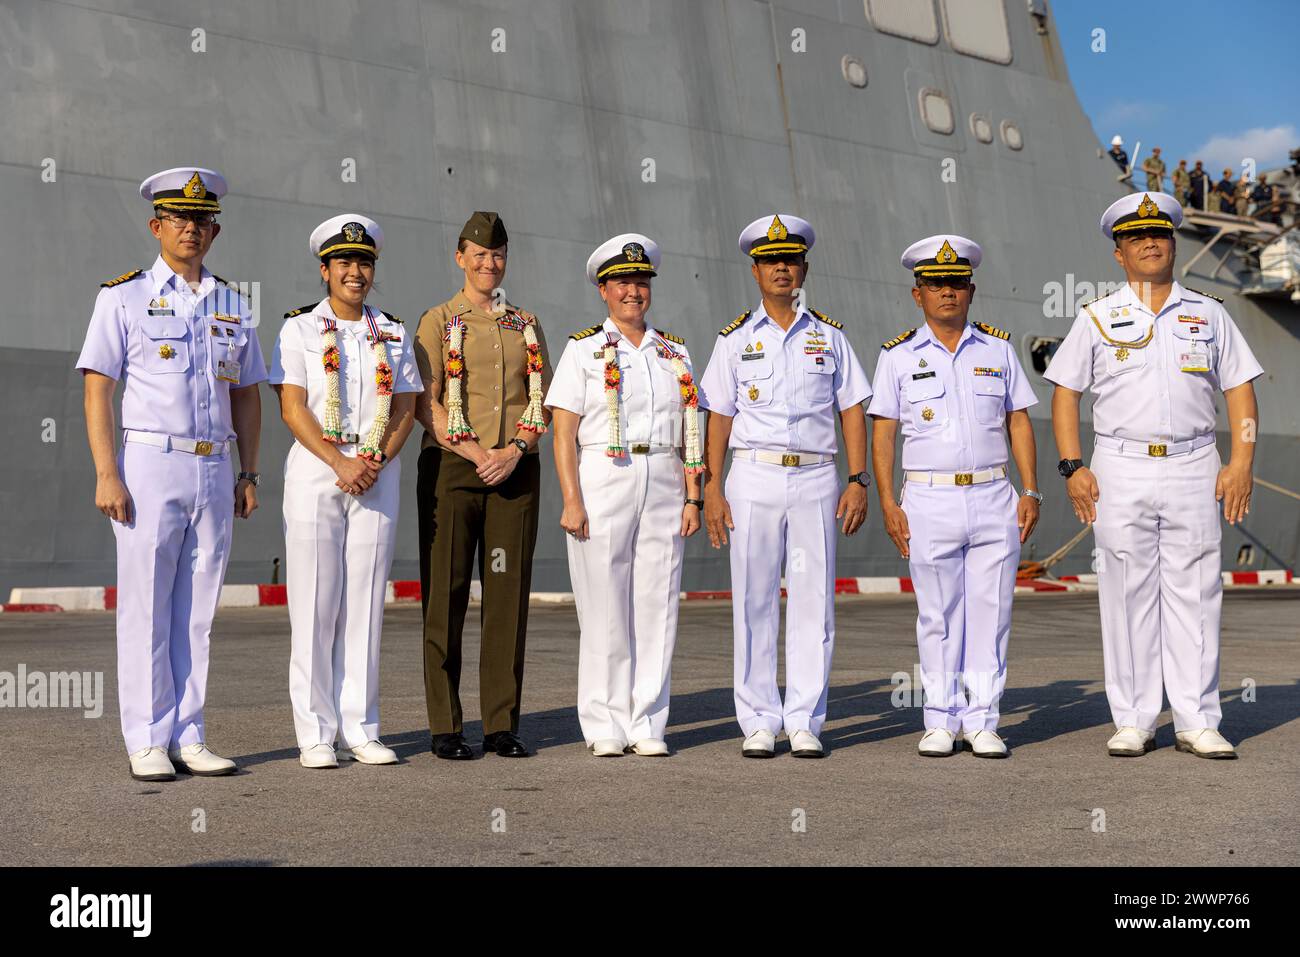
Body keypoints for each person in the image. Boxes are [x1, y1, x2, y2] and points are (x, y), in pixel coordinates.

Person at [1044, 192, 1263, 759]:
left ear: (1172, 244)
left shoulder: (1210, 313)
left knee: (1196, 590)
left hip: (1195, 464)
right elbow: (1066, 393)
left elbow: (1240, 390)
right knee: (1125, 591)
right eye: (1135, 238)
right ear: (1119, 253)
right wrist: (1072, 467)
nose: (1149, 243)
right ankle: (1136, 717)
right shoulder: (1095, 317)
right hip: (1120, 466)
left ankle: (1196, 718)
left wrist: (1241, 462)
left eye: (1159, 235)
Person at [76, 167, 266, 781]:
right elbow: (99, 388)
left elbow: (247, 395)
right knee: (147, 607)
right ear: (157, 225)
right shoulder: (122, 297)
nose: (192, 229)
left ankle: (190, 733)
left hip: (214, 466)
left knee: (198, 610)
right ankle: (146, 737)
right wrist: (108, 473)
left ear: (216, 229)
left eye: (202, 220)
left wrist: (249, 472)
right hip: (150, 465)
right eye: (180, 219)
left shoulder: (234, 303)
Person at [698, 214, 873, 759]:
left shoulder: (832, 337)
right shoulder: (733, 341)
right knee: (752, 599)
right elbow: (719, 418)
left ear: (803, 269)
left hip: (818, 475)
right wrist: (711, 488)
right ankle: (756, 719)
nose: (782, 268)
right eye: (772, 261)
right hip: (752, 475)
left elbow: (852, 411)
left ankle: (804, 719)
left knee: (813, 602)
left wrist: (857, 479)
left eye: (790, 260)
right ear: (755, 271)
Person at [868, 236, 1040, 759]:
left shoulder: (998, 349)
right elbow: (883, 433)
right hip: (928, 497)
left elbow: (1018, 420)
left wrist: (1030, 489)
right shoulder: (897, 356)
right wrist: (888, 504)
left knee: (993, 610)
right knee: (937, 615)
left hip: (993, 493)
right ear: (917, 294)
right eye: (936, 284)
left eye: (956, 284)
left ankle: (983, 719)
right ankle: (940, 719)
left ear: (971, 290)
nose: (947, 292)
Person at [270, 215, 422, 769]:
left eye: (364, 263)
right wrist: (341, 462)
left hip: (377, 472)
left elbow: (406, 408)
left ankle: (361, 727)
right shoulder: (299, 329)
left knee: (365, 605)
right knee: (314, 604)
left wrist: (376, 458)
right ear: (325, 270)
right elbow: (291, 406)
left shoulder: (395, 332)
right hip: (318, 468)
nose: (355, 272)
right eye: (344, 263)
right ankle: (314, 733)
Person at [544, 234, 703, 757]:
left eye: (640, 281)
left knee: (658, 602)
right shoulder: (583, 349)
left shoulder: (673, 352)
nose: (633, 291)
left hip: (662, 472)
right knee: (604, 603)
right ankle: (604, 721)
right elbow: (563, 431)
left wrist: (692, 496)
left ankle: (648, 721)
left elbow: (690, 430)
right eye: (622, 282)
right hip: (604, 476)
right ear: (603, 290)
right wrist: (571, 499)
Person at [413, 212, 553, 760]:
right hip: (453, 469)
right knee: (444, 596)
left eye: (496, 255)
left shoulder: (527, 323)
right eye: (478, 253)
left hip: (515, 471)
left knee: (506, 597)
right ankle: (445, 725)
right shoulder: (437, 319)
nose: (487, 263)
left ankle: (500, 724)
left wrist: (513, 450)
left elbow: (541, 397)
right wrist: (476, 452)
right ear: (459, 257)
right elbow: (426, 401)